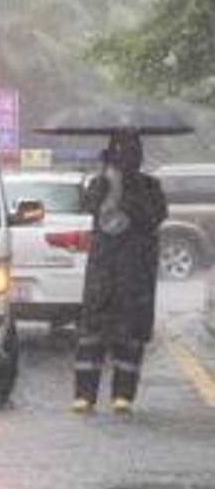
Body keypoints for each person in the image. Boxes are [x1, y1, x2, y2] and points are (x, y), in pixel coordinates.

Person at [72, 131, 168, 414]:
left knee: (130, 334)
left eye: (130, 150)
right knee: (93, 333)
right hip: (103, 271)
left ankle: (123, 394)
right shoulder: (100, 183)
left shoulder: (150, 186)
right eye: (119, 150)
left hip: (136, 273)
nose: (125, 156)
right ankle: (85, 394)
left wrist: (129, 192)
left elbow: (155, 216)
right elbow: (90, 207)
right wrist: (108, 179)